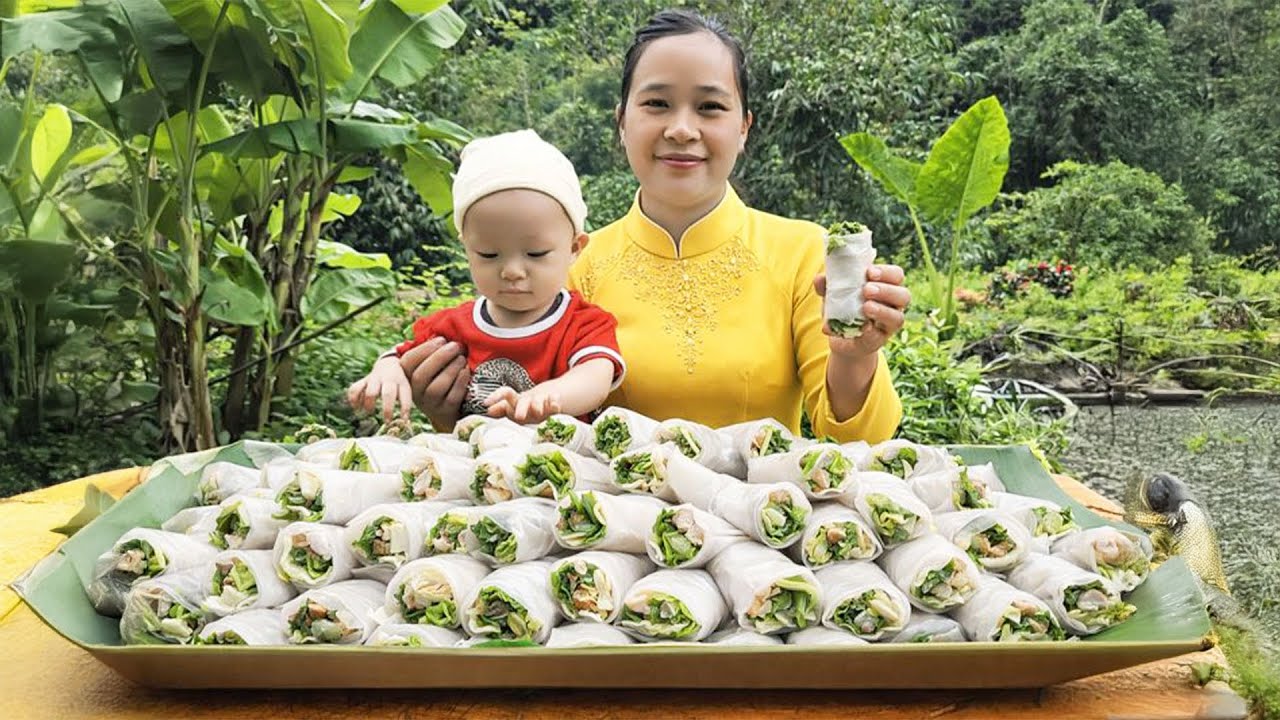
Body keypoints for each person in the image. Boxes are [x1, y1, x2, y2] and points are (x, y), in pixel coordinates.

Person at [398, 9, 910, 443]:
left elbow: (857, 441)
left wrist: (856, 355)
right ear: (622, 122)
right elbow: (526, 430)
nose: (682, 129)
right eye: (657, 104)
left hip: (759, 533)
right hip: (602, 542)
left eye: (710, 107)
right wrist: (450, 410)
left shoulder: (802, 252)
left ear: (743, 127)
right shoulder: (569, 264)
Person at [346, 129, 625, 426]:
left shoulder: (583, 323)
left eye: (536, 253)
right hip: (476, 467)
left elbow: (595, 376)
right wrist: (387, 371)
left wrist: (551, 395)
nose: (512, 271)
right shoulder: (455, 326)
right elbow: (398, 356)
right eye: (489, 255)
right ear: (466, 248)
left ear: (574, 248)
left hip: (561, 467)